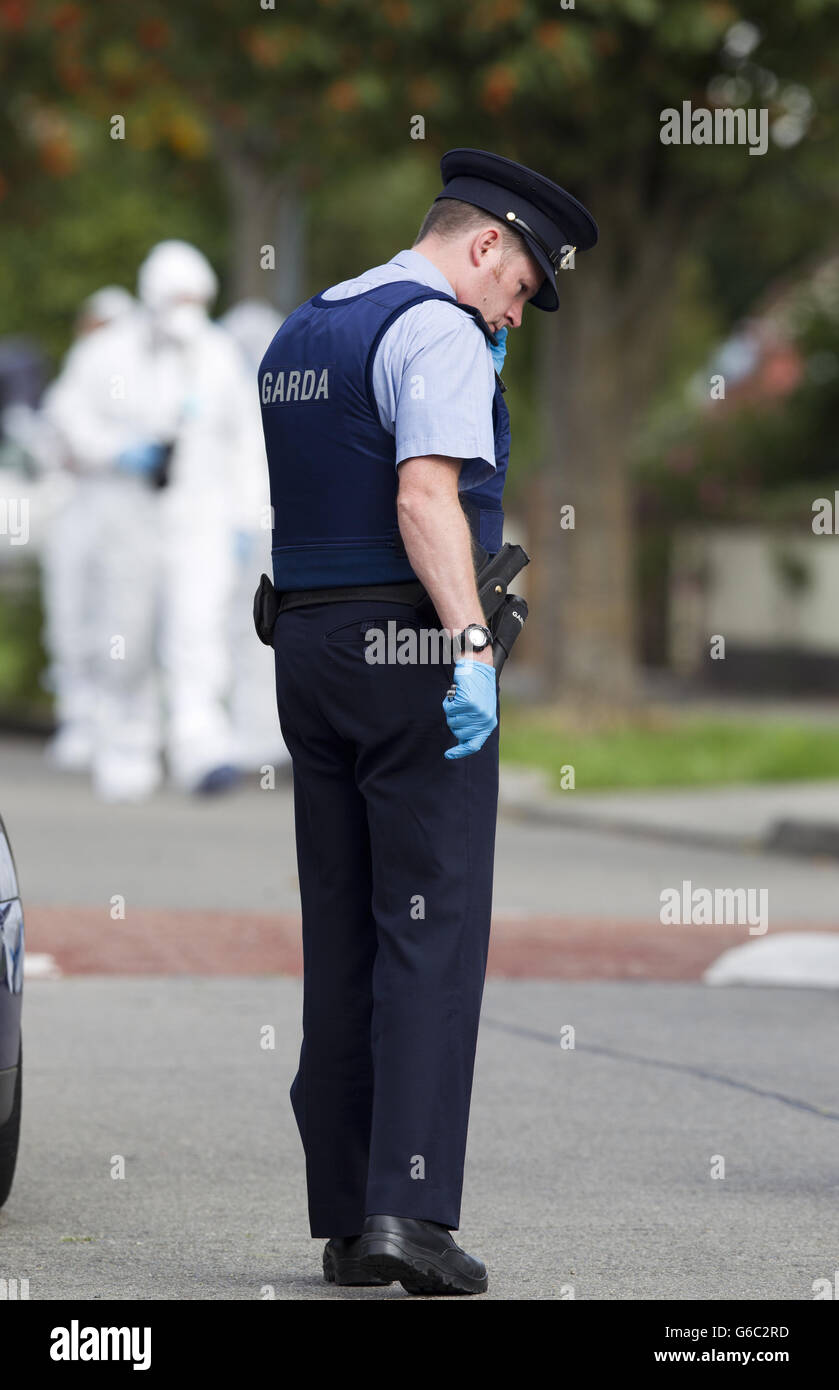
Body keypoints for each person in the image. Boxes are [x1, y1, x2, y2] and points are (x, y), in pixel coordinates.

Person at [258, 149, 597, 1294]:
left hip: (304, 650)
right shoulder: (437, 328)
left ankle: (349, 1220)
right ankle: (410, 1211)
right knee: (429, 926)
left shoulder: (304, 328)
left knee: (344, 929)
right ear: (485, 241)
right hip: (408, 655)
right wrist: (463, 643)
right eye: (520, 285)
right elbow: (420, 495)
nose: (516, 309)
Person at [43, 241, 254, 801]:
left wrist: (242, 517)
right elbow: (65, 415)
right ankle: (126, 746)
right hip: (127, 519)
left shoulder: (218, 355)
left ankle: (200, 744)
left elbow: (245, 444)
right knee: (126, 636)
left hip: (199, 520)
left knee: (197, 632)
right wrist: (116, 450)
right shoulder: (106, 353)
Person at [38, 287, 137, 771]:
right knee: (70, 617)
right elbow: (64, 424)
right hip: (75, 506)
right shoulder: (83, 365)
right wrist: (109, 449)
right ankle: (76, 717)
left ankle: (108, 723)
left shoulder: (133, 365)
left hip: (122, 512)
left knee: (116, 619)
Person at [217, 300, 292, 776]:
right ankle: (235, 732)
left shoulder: (276, 403)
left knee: (257, 635)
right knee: (229, 633)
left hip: (261, 530)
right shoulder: (222, 397)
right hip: (229, 530)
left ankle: (263, 735)